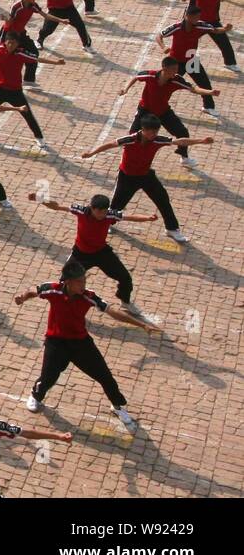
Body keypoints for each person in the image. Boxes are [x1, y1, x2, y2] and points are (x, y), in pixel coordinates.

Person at [14, 259, 161, 431]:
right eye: (79, 281)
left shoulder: (88, 296)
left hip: (81, 343)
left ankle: (118, 406)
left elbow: (111, 310)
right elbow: (35, 290)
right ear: (67, 282)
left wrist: (141, 324)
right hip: (56, 342)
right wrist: (23, 297)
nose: (83, 284)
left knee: (105, 377)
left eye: (84, 280)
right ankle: (36, 396)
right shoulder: (53, 289)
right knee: (48, 377)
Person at [80, 118, 214, 243]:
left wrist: (200, 141)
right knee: (117, 204)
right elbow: (110, 144)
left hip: (146, 176)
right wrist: (92, 153)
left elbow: (179, 141)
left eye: (156, 132)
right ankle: (109, 222)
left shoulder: (157, 140)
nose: (153, 135)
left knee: (163, 199)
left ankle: (172, 229)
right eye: (151, 132)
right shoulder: (129, 139)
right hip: (127, 177)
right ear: (143, 129)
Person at [27, 191, 159, 315]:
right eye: (99, 212)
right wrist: (41, 199)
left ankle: (125, 300)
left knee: (125, 278)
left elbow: (129, 217)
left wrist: (147, 218)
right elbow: (57, 206)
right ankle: (68, 307)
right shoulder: (81, 211)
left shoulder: (109, 214)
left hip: (101, 253)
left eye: (104, 212)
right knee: (65, 283)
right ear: (91, 207)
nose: (101, 215)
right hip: (80, 254)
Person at [0, 32, 63, 149]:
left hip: (15, 91)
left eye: (13, 43)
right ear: (5, 42)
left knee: (27, 114)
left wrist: (56, 62)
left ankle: (39, 138)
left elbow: (37, 58)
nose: (11, 45)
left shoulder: (21, 53)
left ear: (17, 44)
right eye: (9, 42)